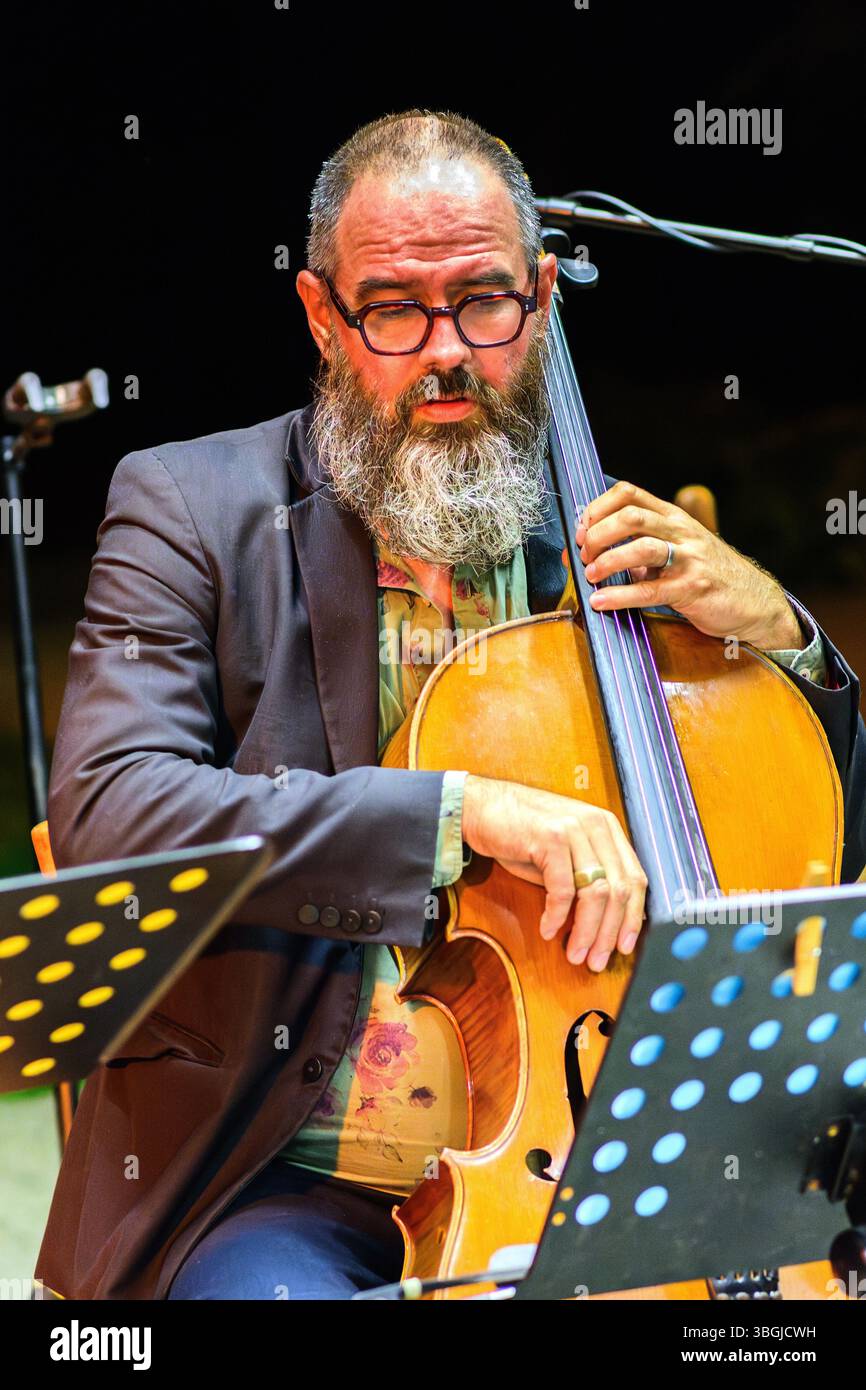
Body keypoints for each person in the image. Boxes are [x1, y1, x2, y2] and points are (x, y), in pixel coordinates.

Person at [36, 109, 866, 1300]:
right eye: (392, 309)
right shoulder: (188, 508)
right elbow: (116, 804)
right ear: (323, 317)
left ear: (540, 300)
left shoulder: (615, 551)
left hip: (586, 1165)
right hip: (283, 1176)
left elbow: (800, 839)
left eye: (483, 303)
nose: (445, 352)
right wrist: (462, 810)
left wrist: (780, 633)